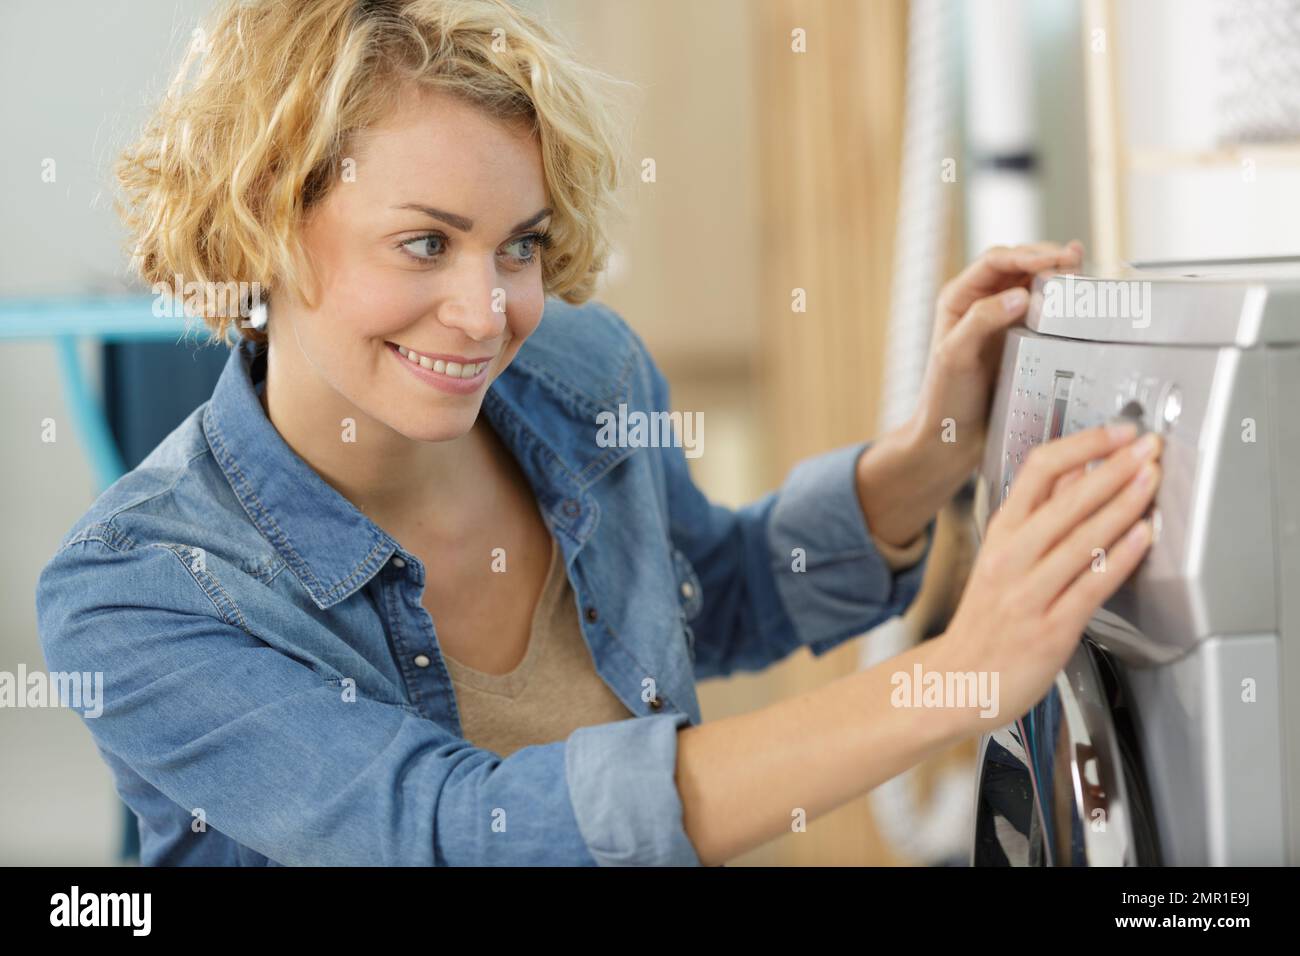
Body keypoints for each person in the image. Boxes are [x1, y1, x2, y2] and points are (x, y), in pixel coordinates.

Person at [35, 0, 1162, 866]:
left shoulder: (575, 374)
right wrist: (952, 678)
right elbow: (455, 832)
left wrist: (935, 453)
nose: (489, 315)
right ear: (264, 221)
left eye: (517, 244)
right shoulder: (137, 592)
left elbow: (708, 591)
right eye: (426, 243)